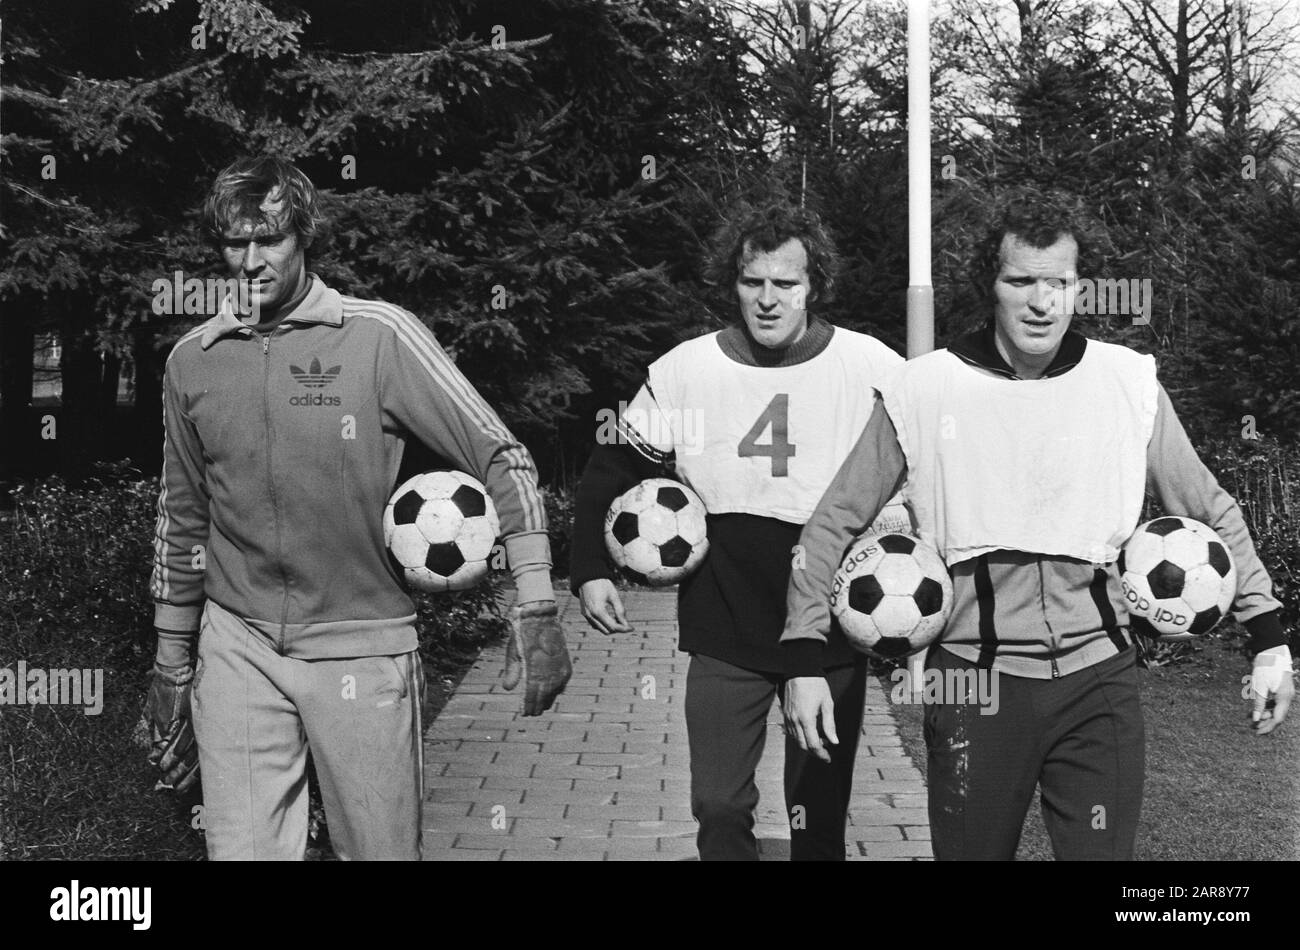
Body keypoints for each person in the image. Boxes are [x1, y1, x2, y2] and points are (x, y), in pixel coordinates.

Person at [782, 192, 1294, 860]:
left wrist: (1268, 638)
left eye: (1058, 282)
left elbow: (1210, 508)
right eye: (1021, 280)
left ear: (1080, 287)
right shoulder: (926, 389)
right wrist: (802, 658)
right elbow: (834, 522)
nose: (1041, 301)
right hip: (973, 684)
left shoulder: (1125, 383)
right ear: (989, 286)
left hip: (1099, 683)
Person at [142, 155, 571, 861]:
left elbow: (503, 455)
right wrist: (170, 660)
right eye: (233, 243)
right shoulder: (194, 358)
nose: (251, 261)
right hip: (237, 646)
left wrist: (535, 602)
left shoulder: (378, 337)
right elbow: (182, 513)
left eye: (270, 240)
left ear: (303, 236)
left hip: (361, 644)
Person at [569, 198, 906, 860]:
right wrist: (587, 569)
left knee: (816, 821)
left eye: (786, 283)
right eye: (753, 282)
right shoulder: (690, 370)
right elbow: (611, 462)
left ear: (815, 286)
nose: (768, 299)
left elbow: (927, 474)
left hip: (830, 622)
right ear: (733, 284)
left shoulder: (871, 369)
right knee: (719, 805)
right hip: (724, 617)